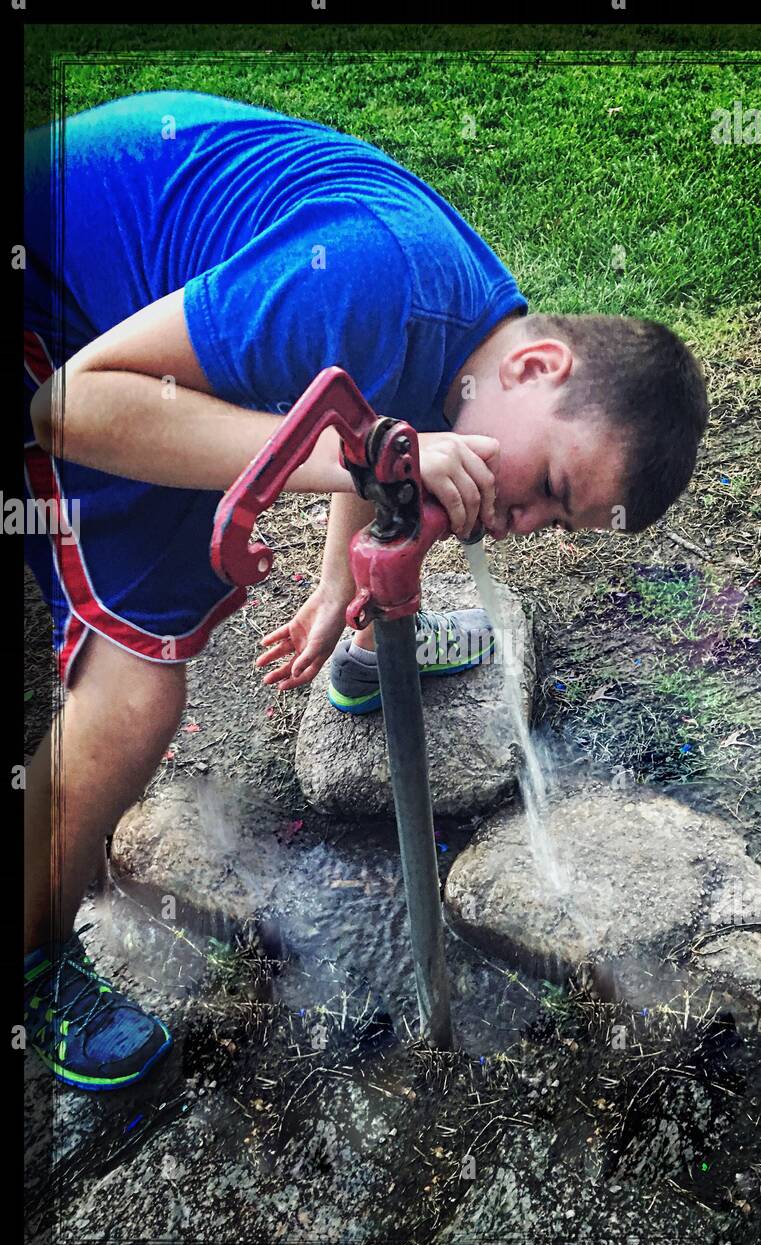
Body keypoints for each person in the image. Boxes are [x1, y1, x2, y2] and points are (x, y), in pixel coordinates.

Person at [23, 89, 709, 1089]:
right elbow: (72, 405)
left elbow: (371, 406)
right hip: (60, 310)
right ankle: (34, 953)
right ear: (540, 365)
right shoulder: (375, 280)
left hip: (124, 305)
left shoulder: (467, 337)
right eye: (551, 487)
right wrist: (355, 466)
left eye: (552, 524)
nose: (519, 523)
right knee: (138, 692)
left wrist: (335, 582)